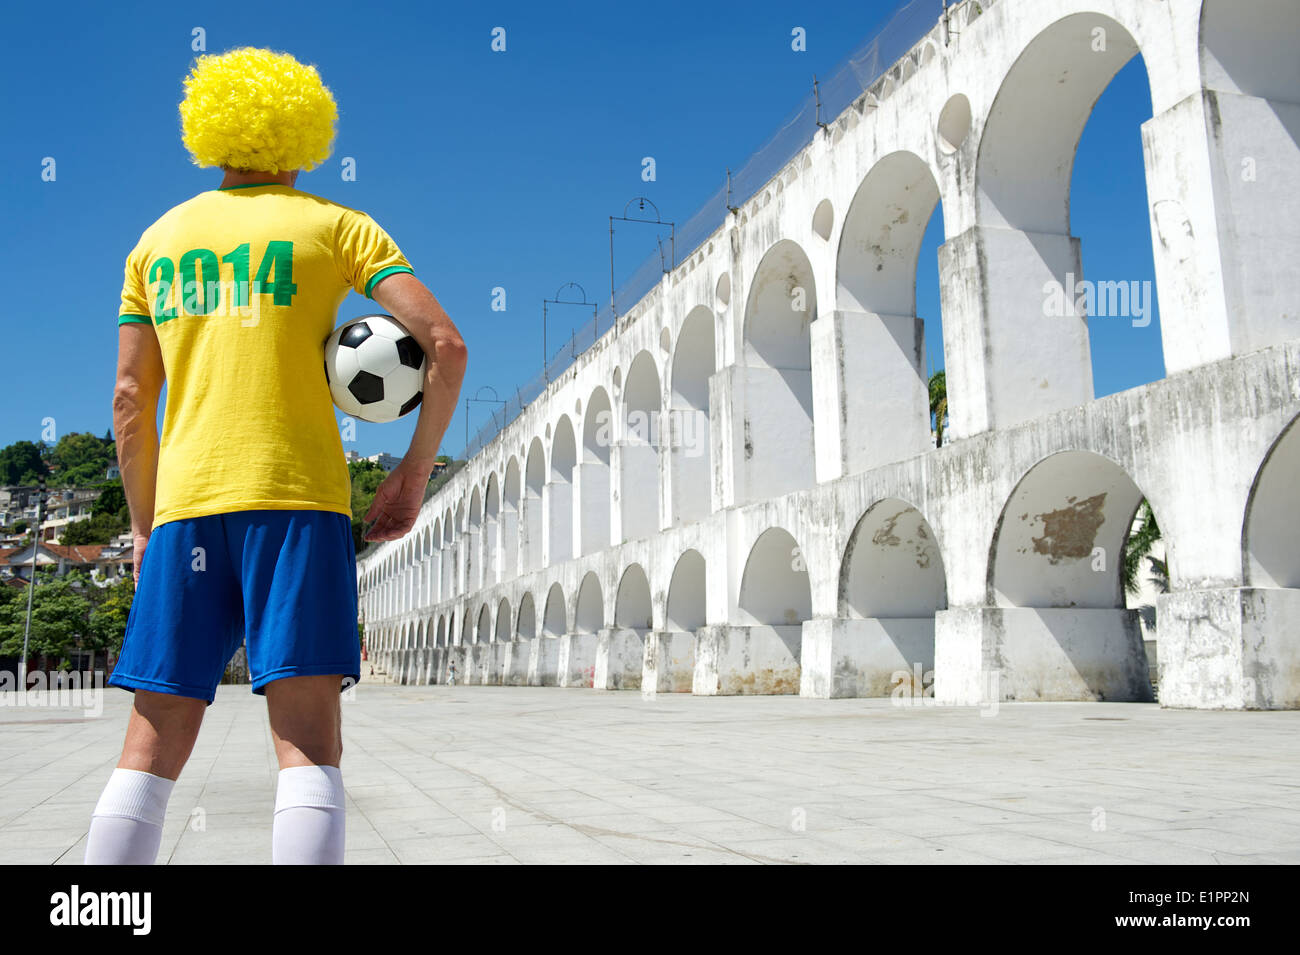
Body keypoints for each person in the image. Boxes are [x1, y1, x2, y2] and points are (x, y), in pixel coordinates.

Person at [85, 47, 467, 866]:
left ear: (210, 131)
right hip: (297, 502)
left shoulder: (156, 242)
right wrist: (411, 471)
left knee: (148, 751)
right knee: (308, 749)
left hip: (187, 507)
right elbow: (445, 344)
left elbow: (127, 401)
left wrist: (147, 523)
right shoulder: (335, 226)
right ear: (304, 134)